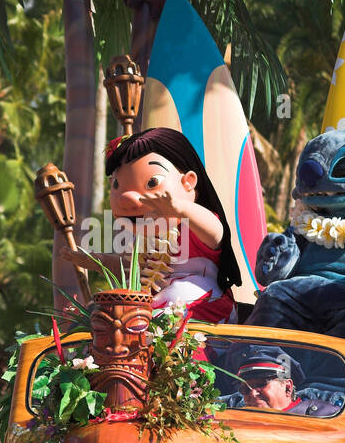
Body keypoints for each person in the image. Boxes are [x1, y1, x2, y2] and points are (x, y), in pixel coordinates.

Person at [102, 129, 242, 324]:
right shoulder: (142, 238)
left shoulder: (194, 226)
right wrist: (97, 261)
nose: (128, 199)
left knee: (177, 295)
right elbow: (131, 269)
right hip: (149, 310)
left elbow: (217, 233)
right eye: (117, 185)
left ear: (189, 182)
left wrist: (180, 208)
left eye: (152, 183)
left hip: (201, 313)